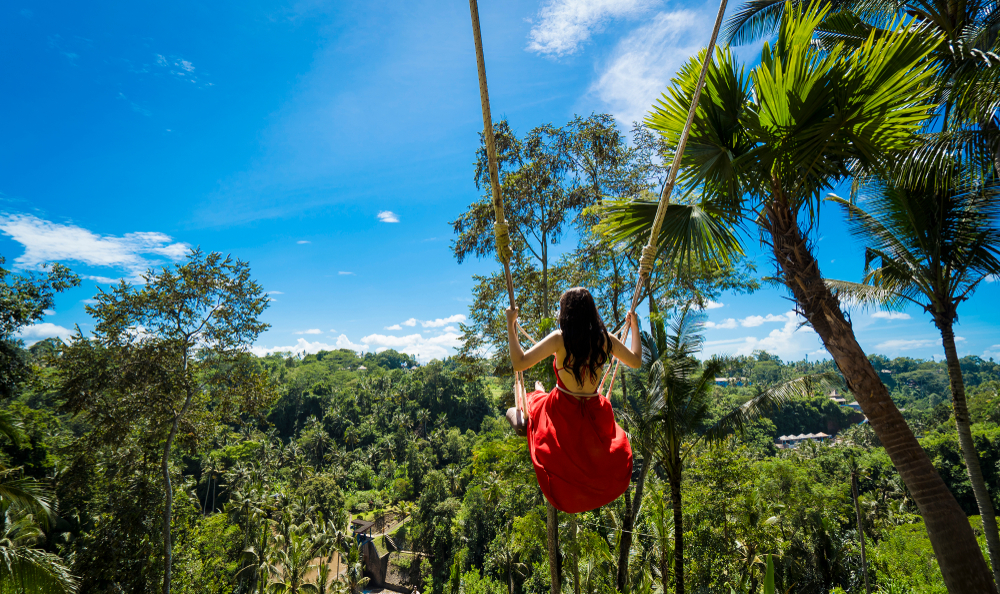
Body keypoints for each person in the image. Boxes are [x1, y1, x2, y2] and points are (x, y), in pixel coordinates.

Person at [506, 287, 642, 513]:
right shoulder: (605, 340)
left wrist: (511, 326)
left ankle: (539, 390)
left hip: (563, 411)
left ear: (566, 312)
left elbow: (519, 362)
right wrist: (635, 326)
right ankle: (540, 391)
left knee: (532, 403)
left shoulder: (561, 339)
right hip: (594, 410)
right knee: (539, 399)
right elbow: (636, 360)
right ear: (591, 311)